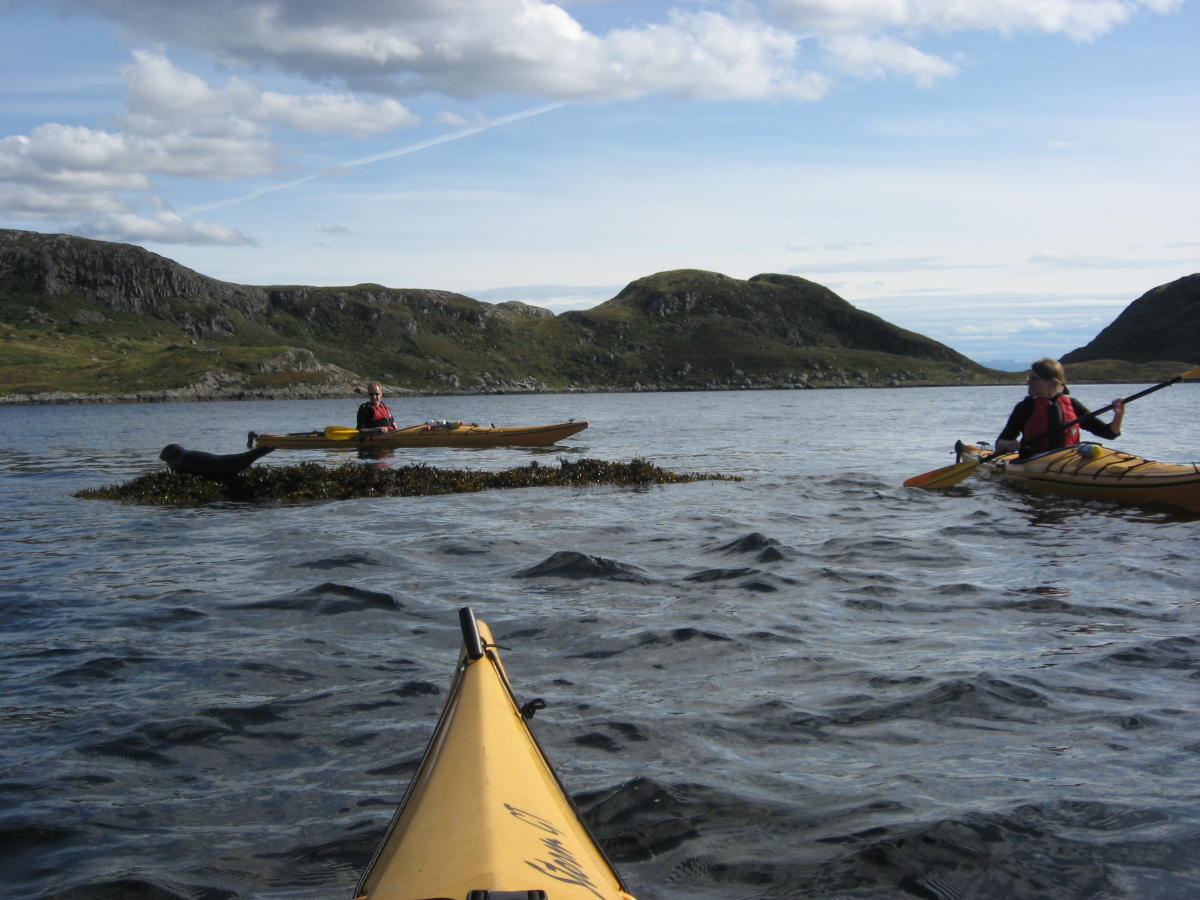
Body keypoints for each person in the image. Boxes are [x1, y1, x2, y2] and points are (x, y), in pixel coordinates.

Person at [995, 358, 1125, 457]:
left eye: (1033, 378)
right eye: (1028, 378)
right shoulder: (1025, 407)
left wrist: (1119, 414)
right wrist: (1009, 445)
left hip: (1067, 460)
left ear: (1052, 382)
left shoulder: (1072, 405)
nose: (1028, 382)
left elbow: (1109, 433)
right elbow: (1000, 443)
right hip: (1033, 461)